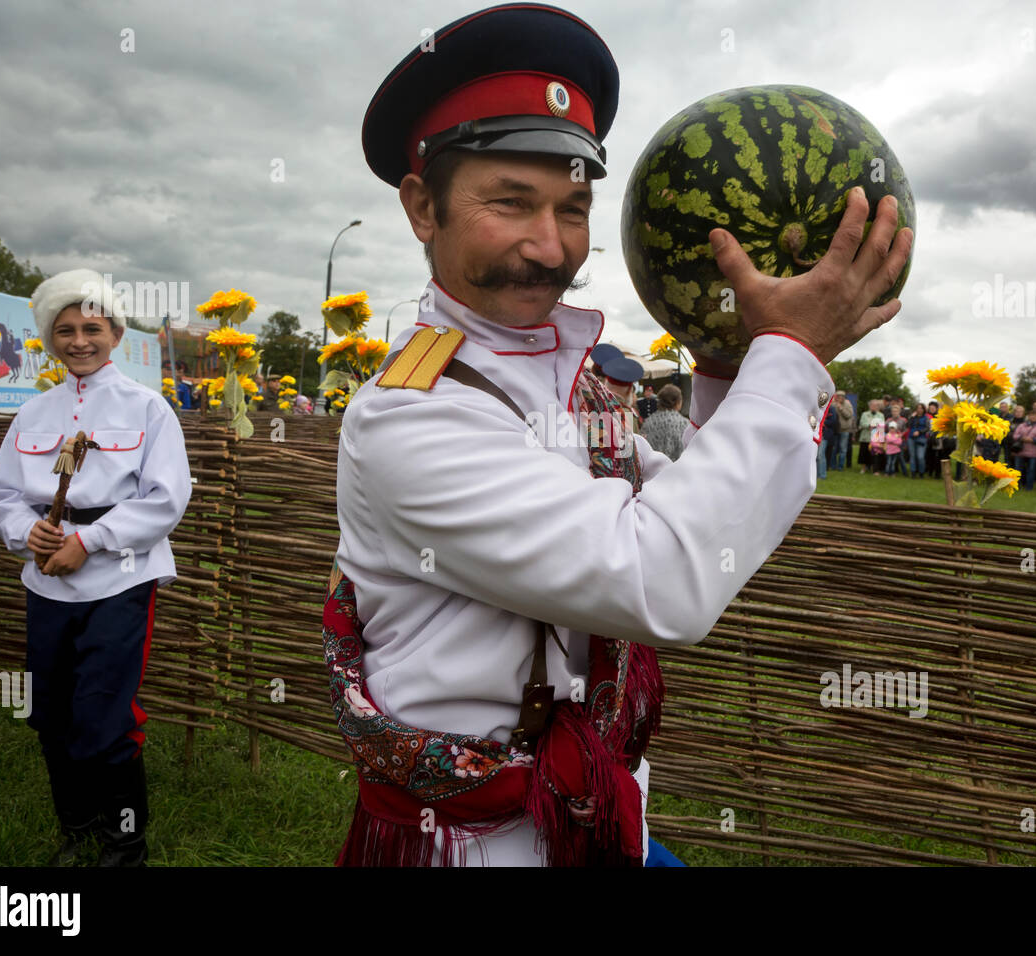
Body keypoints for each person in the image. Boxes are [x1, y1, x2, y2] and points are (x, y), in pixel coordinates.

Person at [327, 1, 911, 868]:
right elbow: (661, 577)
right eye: (511, 202)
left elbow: (705, 512)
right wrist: (790, 355)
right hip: (476, 843)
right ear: (422, 207)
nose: (550, 246)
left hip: (594, 807)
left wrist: (729, 358)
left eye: (573, 207)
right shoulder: (411, 414)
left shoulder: (577, 380)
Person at [0, 269, 192, 866]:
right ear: (49, 338)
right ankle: (75, 830)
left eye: (92, 328)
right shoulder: (33, 413)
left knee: (105, 715)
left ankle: (123, 846)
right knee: (49, 712)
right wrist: (30, 532)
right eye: (66, 329)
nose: (80, 341)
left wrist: (92, 540)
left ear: (116, 333)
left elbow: (165, 498)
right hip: (45, 579)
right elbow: (2, 497)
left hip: (120, 577)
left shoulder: (148, 408)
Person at [640, 383, 690, 462]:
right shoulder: (685, 424)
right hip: (678, 470)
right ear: (678, 402)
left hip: (654, 472)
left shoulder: (648, 423)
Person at [1011, 411, 1036, 490]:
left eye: (1035, 416)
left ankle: (1029, 486)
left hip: (1033, 452)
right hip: (1021, 451)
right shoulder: (1021, 425)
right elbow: (1015, 435)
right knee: (1018, 469)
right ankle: (1016, 485)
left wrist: (1032, 439)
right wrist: (1022, 438)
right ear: (1028, 416)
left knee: (1031, 470)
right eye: (1031, 415)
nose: (1033, 417)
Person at [858, 398, 884, 474]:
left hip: (876, 438)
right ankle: (863, 468)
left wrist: (881, 439)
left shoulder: (881, 415)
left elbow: (882, 425)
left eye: (875, 406)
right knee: (863, 453)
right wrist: (870, 425)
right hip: (865, 437)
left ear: (878, 407)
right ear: (869, 406)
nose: (873, 407)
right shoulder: (864, 414)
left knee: (875, 454)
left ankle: (875, 469)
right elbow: (862, 423)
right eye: (872, 405)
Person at [905, 402, 929, 478]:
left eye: (921, 408)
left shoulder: (926, 418)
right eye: (918, 408)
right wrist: (911, 417)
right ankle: (913, 472)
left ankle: (921, 472)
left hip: (921, 438)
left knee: (920, 457)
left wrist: (919, 432)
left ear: (924, 409)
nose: (919, 409)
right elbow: (907, 425)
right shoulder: (913, 417)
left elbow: (928, 428)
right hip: (911, 438)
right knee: (912, 456)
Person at [833, 391, 855, 470]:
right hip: (835, 430)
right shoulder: (833, 404)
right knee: (834, 448)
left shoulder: (848, 404)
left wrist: (841, 408)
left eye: (841, 397)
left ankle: (840, 466)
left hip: (845, 430)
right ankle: (833, 466)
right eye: (838, 397)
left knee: (843, 449)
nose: (840, 398)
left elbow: (849, 415)